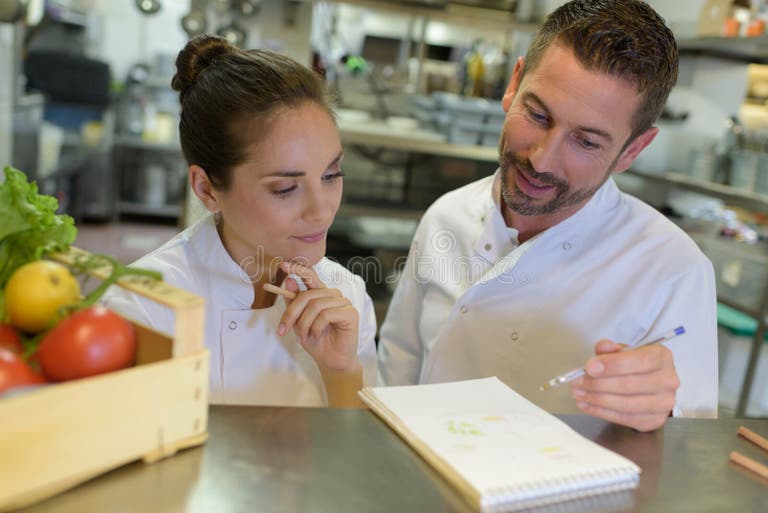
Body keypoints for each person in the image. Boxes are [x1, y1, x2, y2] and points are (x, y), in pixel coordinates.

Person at [377, 0, 718, 431]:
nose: (542, 160)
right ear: (514, 83)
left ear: (633, 150)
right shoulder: (447, 216)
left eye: (587, 142)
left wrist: (664, 412)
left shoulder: (673, 270)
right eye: (537, 115)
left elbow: (690, 444)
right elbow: (399, 364)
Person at [105, 35, 376, 408]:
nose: (321, 210)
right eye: (285, 188)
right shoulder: (144, 306)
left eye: (331, 176)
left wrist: (342, 370)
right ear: (207, 189)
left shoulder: (347, 297)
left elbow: (359, 457)